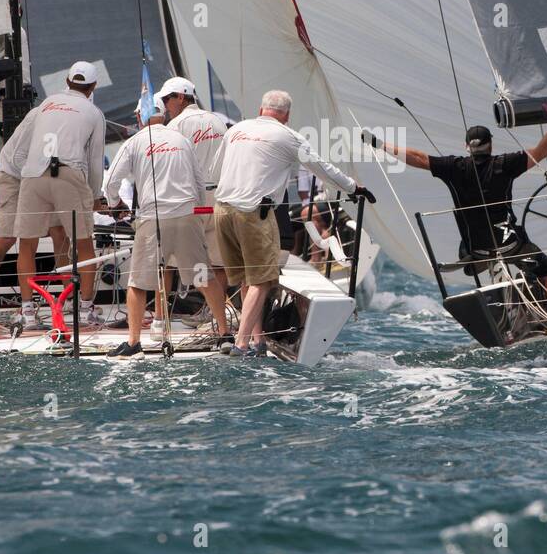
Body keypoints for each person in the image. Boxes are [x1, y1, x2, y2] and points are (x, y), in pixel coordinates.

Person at [214, 89, 372, 357]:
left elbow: (216, 168)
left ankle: (258, 339)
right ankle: (241, 345)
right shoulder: (288, 136)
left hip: (222, 210)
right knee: (262, 280)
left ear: (261, 108)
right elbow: (322, 168)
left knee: (245, 278)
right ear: (286, 115)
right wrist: (353, 187)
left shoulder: (235, 131)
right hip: (253, 213)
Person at [372, 116, 547, 320]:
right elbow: (542, 151)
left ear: (467, 147)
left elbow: (418, 157)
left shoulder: (454, 167)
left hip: (476, 250)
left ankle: (503, 294)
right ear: (490, 144)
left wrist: (380, 144)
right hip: (510, 245)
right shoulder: (506, 163)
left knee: (475, 249)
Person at [103, 102, 231, 358]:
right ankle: (225, 334)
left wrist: (114, 203)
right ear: (164, 115)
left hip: (153, 218)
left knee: (138, 283)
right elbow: (198, 180)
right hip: (187, 215)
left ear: (139, 116)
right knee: (203, 276)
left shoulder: (134, 142)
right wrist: (194, 208)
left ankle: (133, 343)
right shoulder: (182, 140)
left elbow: (111, 181)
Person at [15, 61, 107, 326]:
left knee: (27, 244)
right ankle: (85, 308)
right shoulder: (93, 111)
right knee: (84, 244)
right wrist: (95, 196)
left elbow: (24, 146)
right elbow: (94, 160)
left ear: (67, 81)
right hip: (67, 173)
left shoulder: (45, 104)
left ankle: (27, 311)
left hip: (32, 175)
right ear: (92, 87)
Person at [0, 110, 68, 315]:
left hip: (40, 176)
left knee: (59, 231)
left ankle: (70, 297)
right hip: (13, 174)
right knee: (10, 236)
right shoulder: (43, 118)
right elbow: (20, 157)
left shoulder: (73, 120)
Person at [158, 77, 230, 296]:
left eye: (166, 99)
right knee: (218, 260)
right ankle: (213, 313)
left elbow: (168, 166)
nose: (165, 105)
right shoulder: (218, 122)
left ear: (180, 97)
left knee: (170, 260)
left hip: (190, 200)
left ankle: (162, 316)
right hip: (218, 198)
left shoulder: (175, 126)